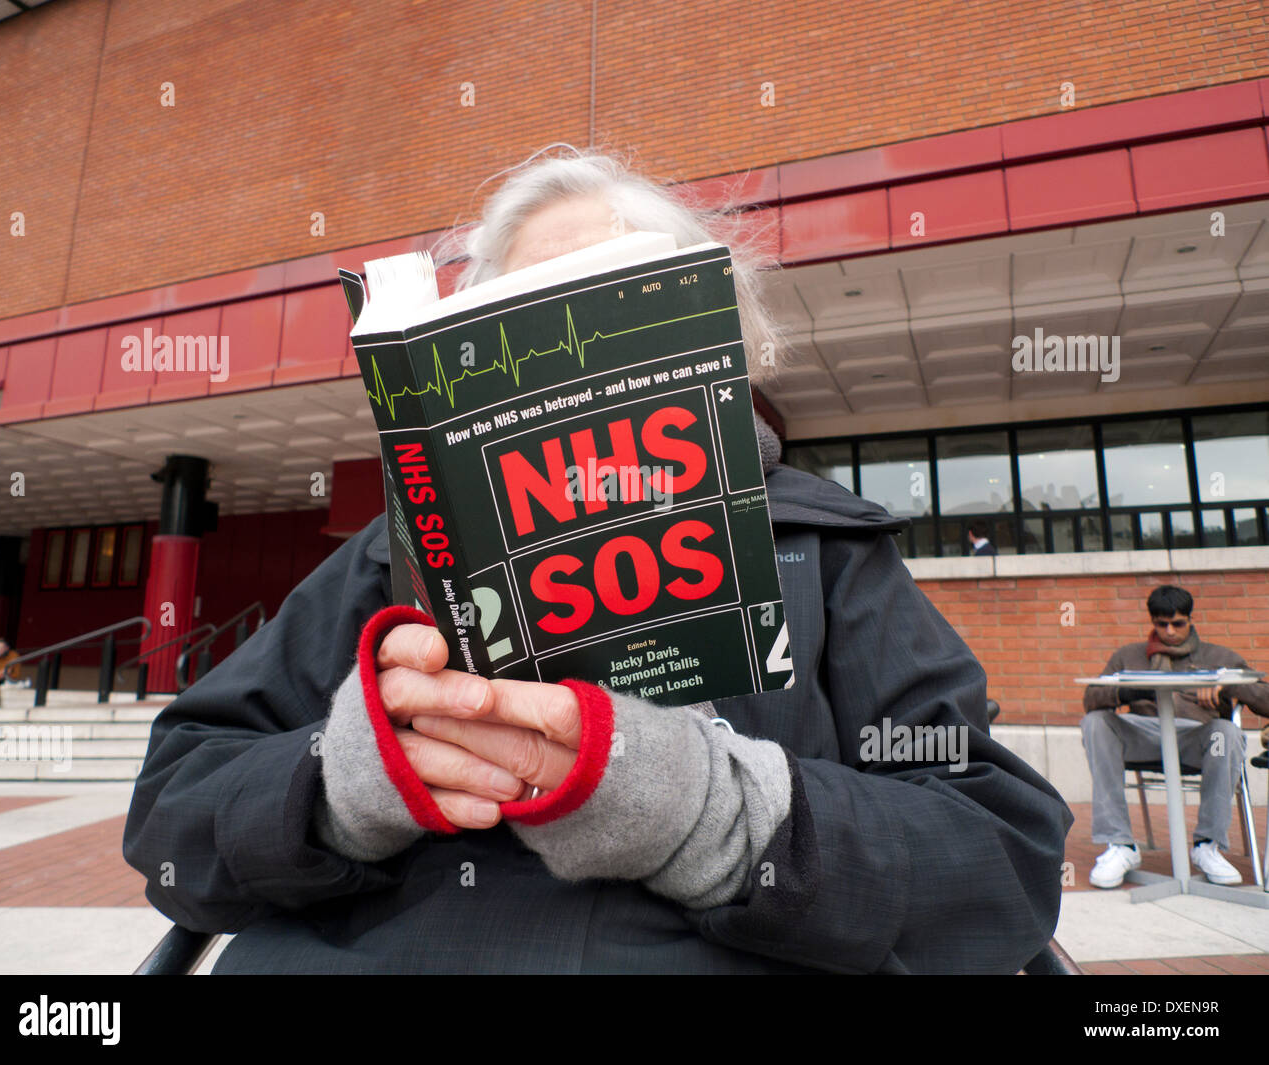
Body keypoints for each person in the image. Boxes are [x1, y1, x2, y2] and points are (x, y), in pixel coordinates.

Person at [123, 145, 1073, 974]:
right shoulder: (394, 556)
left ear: (718, 338)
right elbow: (174, 809)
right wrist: (344, 783)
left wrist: (716, 813)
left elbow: (997, 859)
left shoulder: (824, 548)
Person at [1081, 584, 1269, 889]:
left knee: (1227, 733)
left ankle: (1207, 844)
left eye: (1177, 623)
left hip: (1196, 737)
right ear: (1152, 622)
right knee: (1095, 722)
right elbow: (1091, 697)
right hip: (1143, 734)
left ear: (1190, 620)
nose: (1169, 631)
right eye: (1161, 624)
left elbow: (1266, 698)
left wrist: (1228, 685)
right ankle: (1120, 845)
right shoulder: (1129, 655)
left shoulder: (1218, 656)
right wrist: (1129, 690)